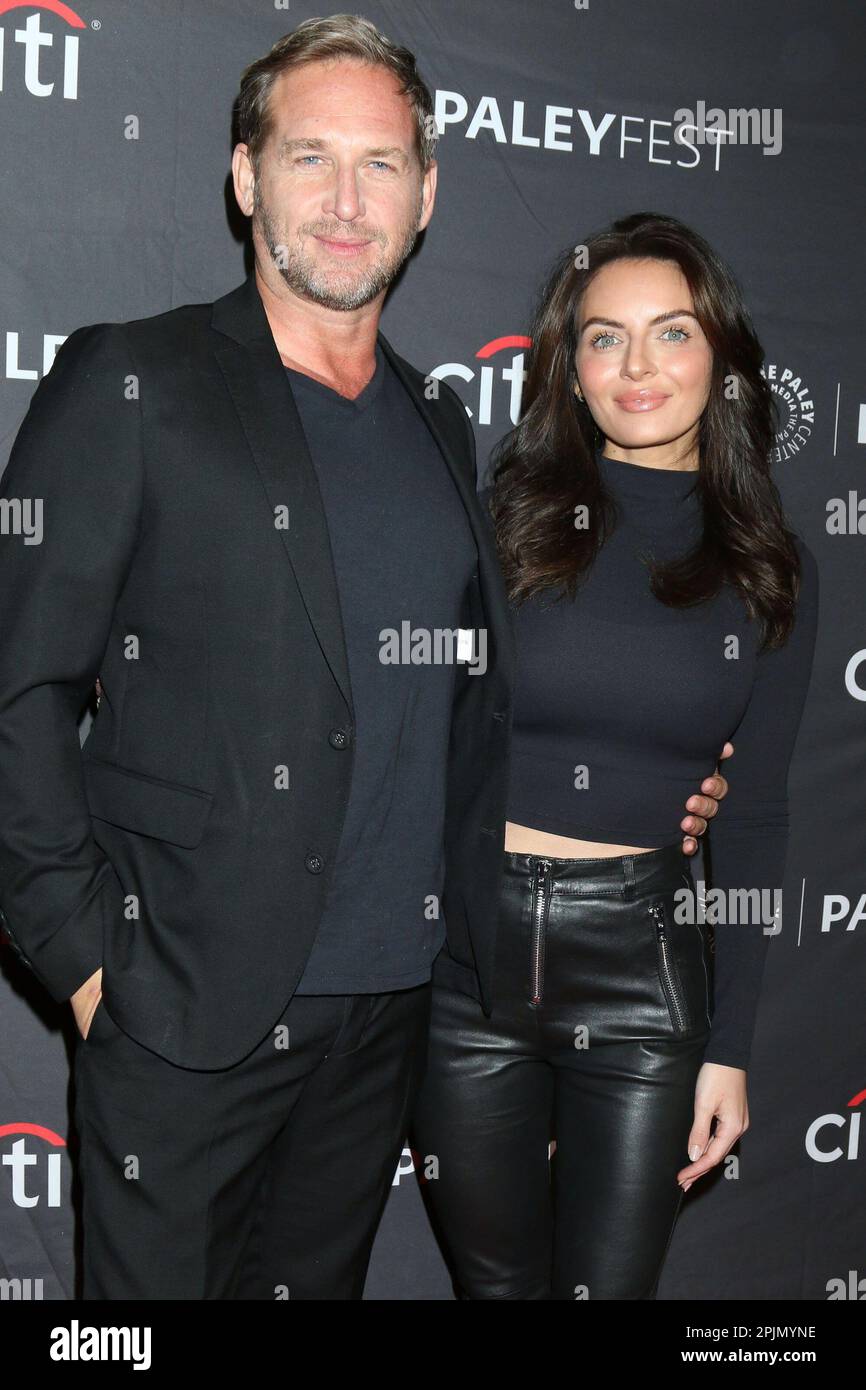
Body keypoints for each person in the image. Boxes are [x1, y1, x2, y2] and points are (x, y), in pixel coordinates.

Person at [0, 18, 726, 1300]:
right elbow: (19, 684)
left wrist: (657, 773)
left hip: (393, 1016)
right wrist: (84, 962)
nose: (346, 201)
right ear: (244, 176)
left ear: (428, 192)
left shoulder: (443, 427)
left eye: (382, 164)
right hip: (183, 1011)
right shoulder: (138, 381)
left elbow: (476, 700)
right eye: (309, 158)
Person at [410, 213, 820, 1300]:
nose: (636, 366)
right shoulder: (496, 524)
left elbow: (756, 814)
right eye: (603, 338)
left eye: (670, 333)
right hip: (465, 972)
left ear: (719, 358)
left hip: (641, 974)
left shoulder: (770, 569)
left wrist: (727, 1048)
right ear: (569, 370)